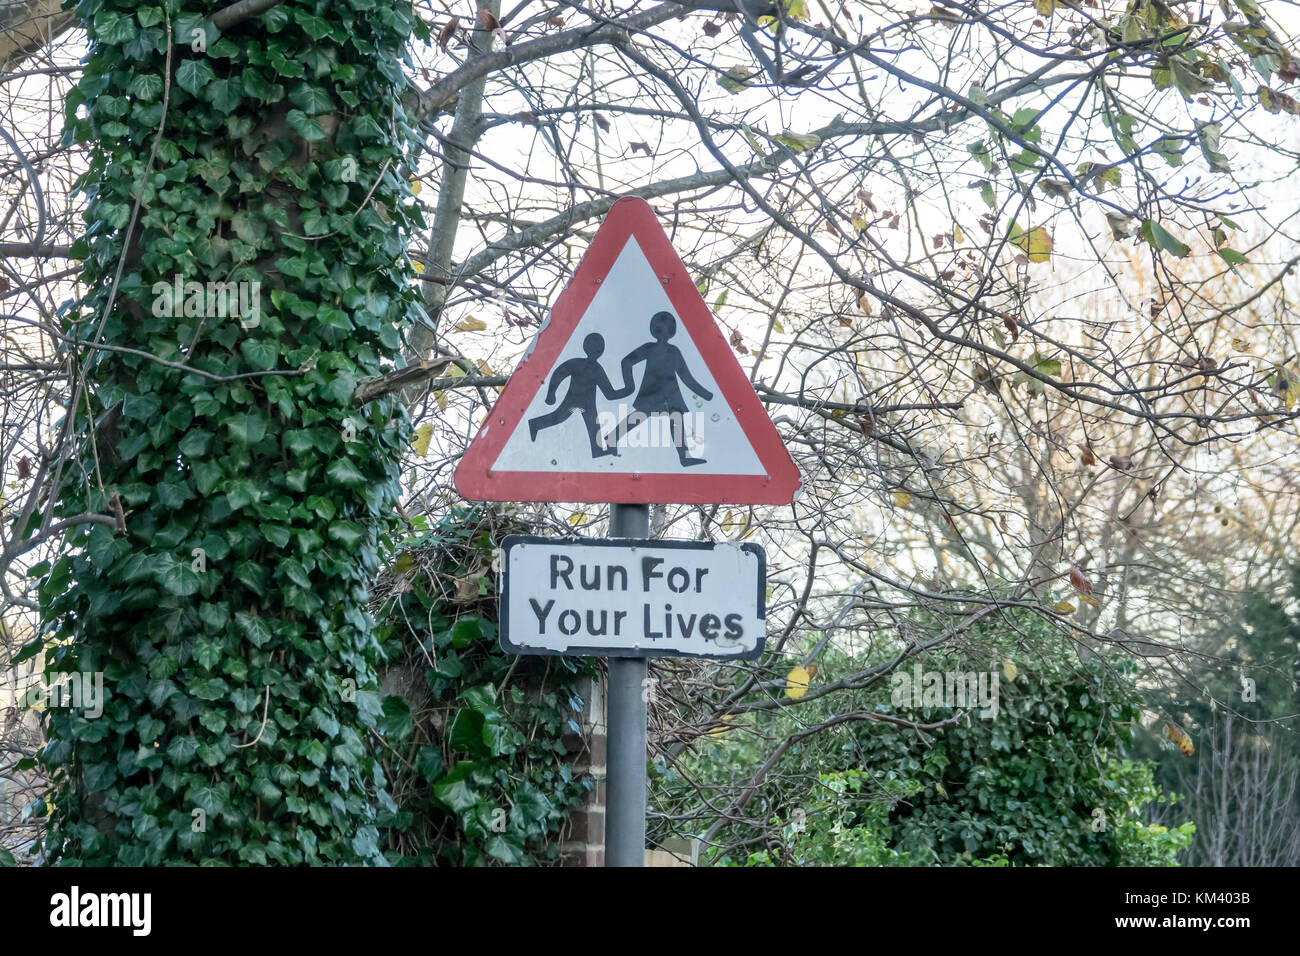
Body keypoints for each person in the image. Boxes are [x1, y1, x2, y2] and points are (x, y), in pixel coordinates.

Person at [602, 311, 713, 466]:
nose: (664, 333)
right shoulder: (650, 348)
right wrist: (630, 386)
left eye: (667, 329)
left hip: (669, 392)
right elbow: (626, 362)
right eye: (660, 329)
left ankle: (684, 456)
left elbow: (686, 377)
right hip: (653, 391)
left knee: (674, 418)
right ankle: (611, 438)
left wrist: (707, 395)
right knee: (643, 416)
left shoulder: (673, 351)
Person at [528, 333, 627, 457]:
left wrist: (627, 390)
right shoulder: (577, 363)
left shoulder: (597, 369)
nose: (596, 351)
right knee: (559, 417)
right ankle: (535, 424)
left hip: (588, 404)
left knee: (593, 426)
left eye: (598, 349)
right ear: (586, 347)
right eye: (594, 347)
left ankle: (598, 450)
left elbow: (609, 393)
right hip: (573, 400)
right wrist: (551, 393)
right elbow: (559, 373)